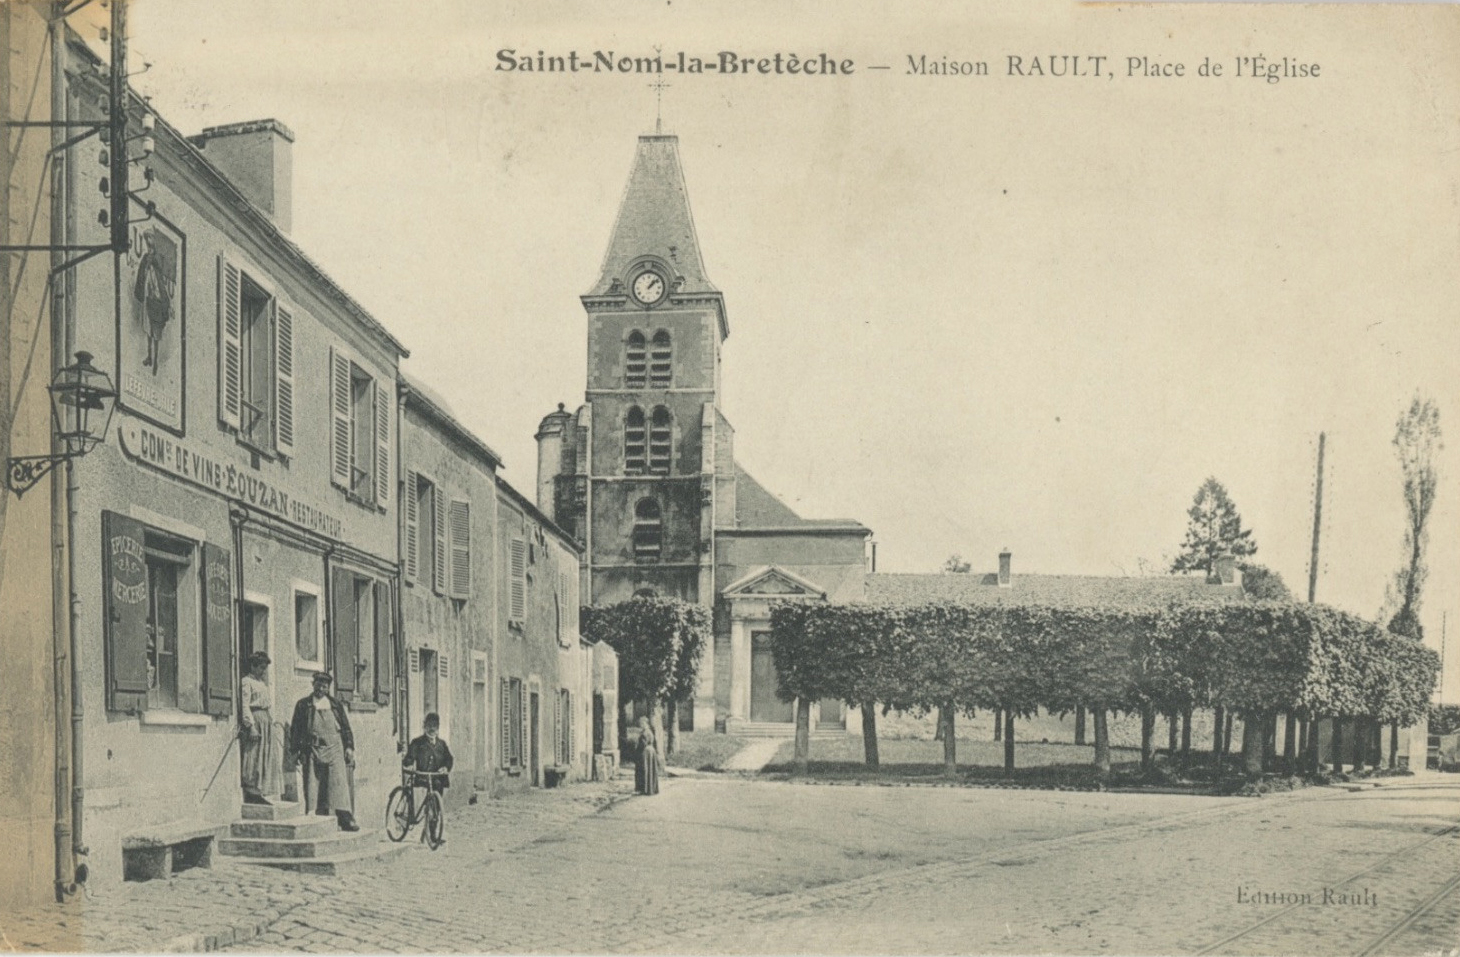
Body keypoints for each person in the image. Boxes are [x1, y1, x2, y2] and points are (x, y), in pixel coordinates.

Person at [289, 672, 359, 831]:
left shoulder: (335, 705)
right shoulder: (303, 705)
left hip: (335, 748)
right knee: (314, 784)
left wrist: (349, 746)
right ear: (313, 685)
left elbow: (346, 728)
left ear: (328, 688)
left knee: (338, 783)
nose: (321, 689)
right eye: (318, 685)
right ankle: (316, 819)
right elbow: (296, 729)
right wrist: (295, 750)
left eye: (325, 686)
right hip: (313, 748)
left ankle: (345, 818)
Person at [239, 651, 281, 805]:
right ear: (253, 666)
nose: (263, 671)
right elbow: (245, 705)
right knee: (255, 755)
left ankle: (261, 790)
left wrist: (272, 721)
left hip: (266, 722)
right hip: (256, 721)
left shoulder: (262, 683)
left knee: (266, 755)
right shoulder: (247, 682)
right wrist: (250, 727)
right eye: (261, 667)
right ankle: (251, 791)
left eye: (265, 668)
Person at [403, 712, 454, 794]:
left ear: (438, 728)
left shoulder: (442, 744)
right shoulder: (417, 742)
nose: (432, 729)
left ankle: (435, 806)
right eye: (429, 726)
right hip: (422, 779)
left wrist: (446, 767)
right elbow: (410, 756)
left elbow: (449, 758)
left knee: (437, 798)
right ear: (424, 727)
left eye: (435, 726)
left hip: (437, 779)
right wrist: (410, 764)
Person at [634, 716, 661, 796]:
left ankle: (645, 789)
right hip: (651, 751)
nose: (640, 725)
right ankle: (651, 788)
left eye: (641, 723)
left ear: (645, 723)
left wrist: (637, 750)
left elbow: (643, 744)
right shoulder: (649, 731)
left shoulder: (645, 733)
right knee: (650, 769)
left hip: (646, 752)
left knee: (645, 769)